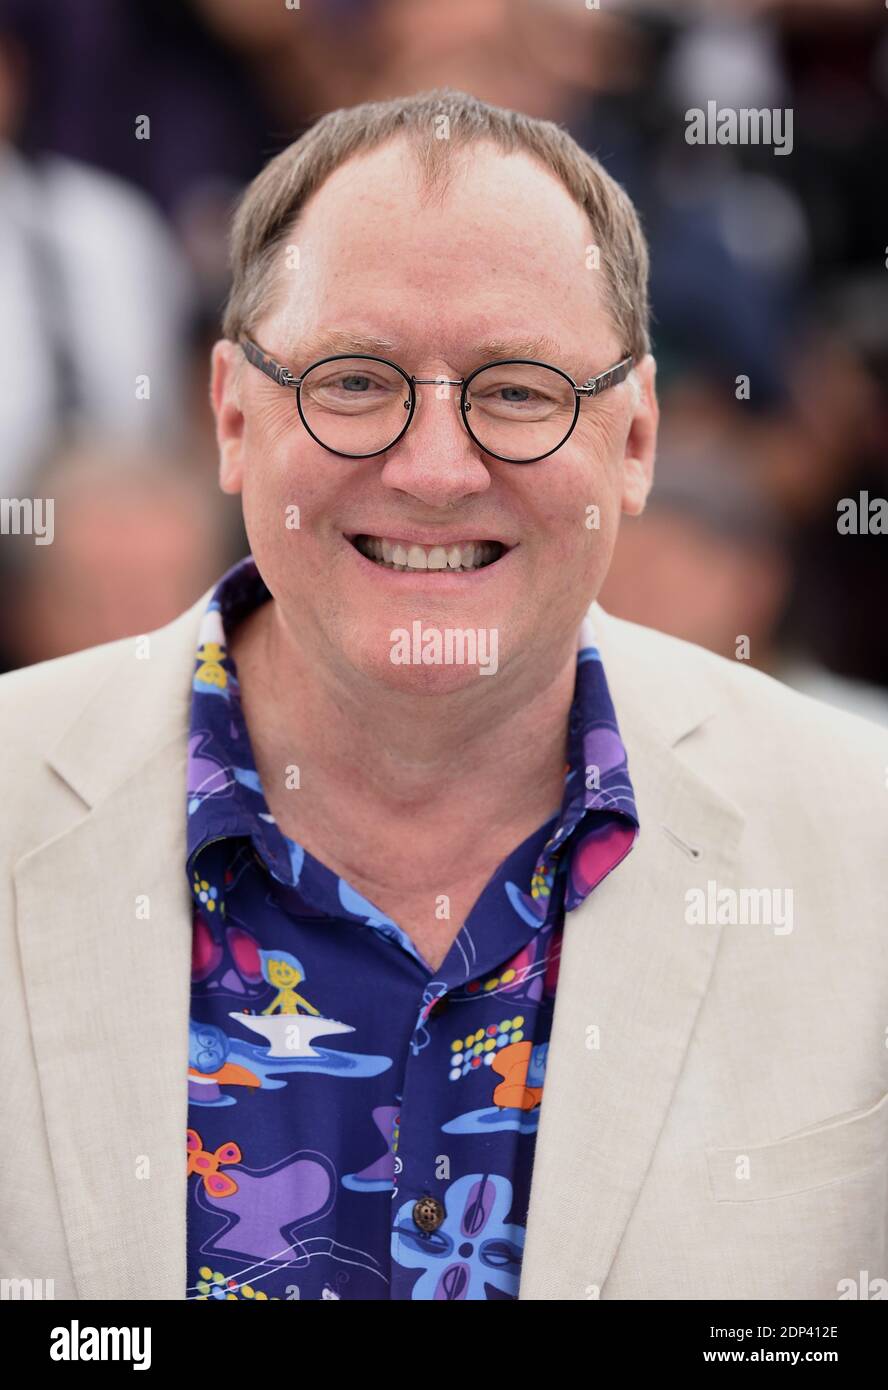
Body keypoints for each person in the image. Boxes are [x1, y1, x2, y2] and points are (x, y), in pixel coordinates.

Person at [1, 89, 885, 1303]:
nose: (430, 469)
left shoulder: (865, 844)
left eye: (519, 389)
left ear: (634, 444)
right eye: (354, 381)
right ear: (233, 416)